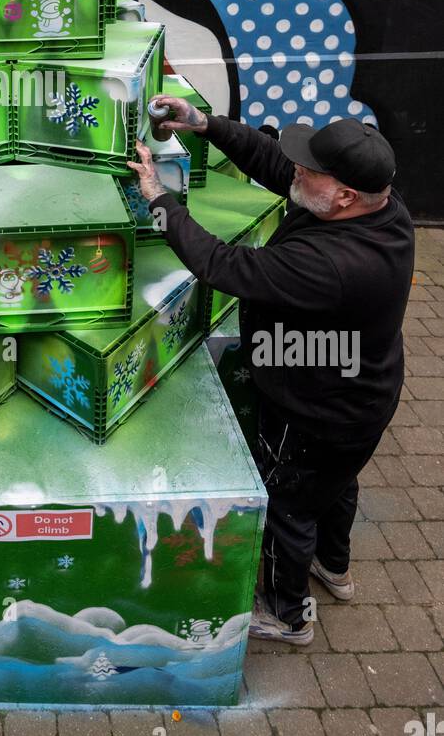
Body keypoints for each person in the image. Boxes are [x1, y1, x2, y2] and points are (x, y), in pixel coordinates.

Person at [128, 101, 415, 645]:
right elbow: (277, 166)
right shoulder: (376, 203)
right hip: (361, 394)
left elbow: (219, 265)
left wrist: (158, 201)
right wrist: (205, 125)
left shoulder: (335, 265)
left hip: (318, 408)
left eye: (310, 170)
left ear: (344, 194)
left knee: (289, 505)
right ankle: (335, 568)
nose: (297, 172)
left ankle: (289, 615)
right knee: (333, 486)